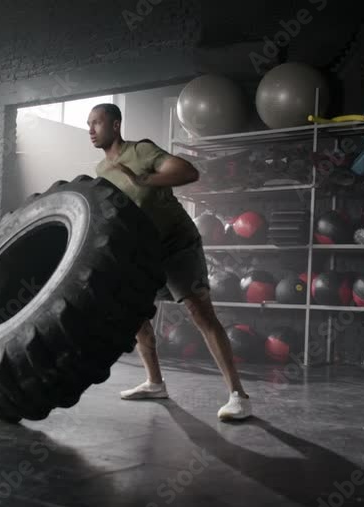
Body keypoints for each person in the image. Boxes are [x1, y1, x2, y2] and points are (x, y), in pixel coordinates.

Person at [87, 103, 251, 421]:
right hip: (141, 251)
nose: (91, 130)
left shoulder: (142, 150)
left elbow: (188, 172)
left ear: (116, 125)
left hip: (176, 245)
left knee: (200, 313)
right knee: (136, 315)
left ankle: (238, 395)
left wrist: (144, 179)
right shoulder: (100, 171)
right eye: (88, 124)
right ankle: (155, 383)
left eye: (97, 122)